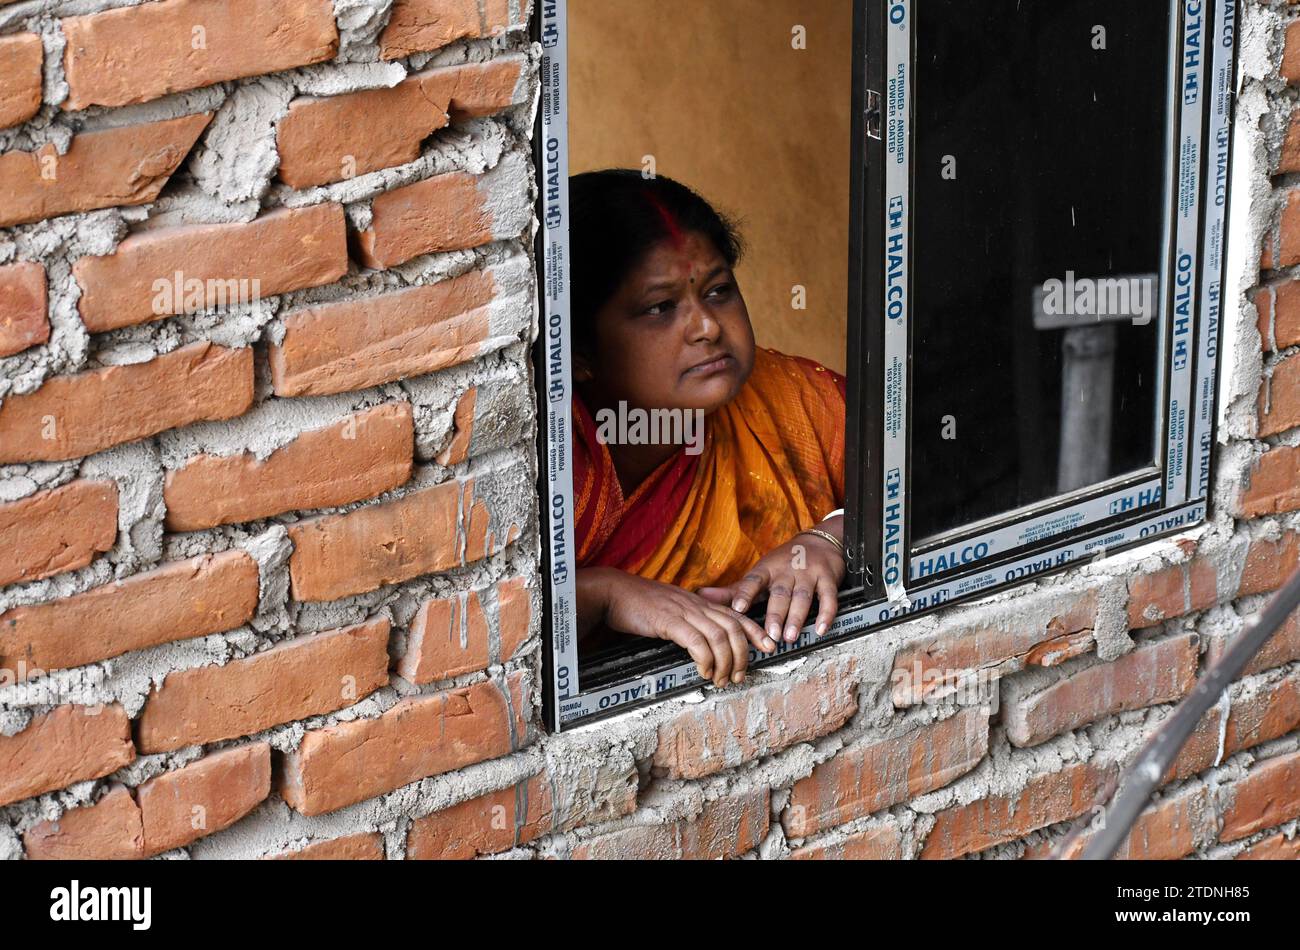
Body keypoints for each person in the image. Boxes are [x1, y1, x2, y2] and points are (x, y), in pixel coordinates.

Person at [571, 170, 847, 689]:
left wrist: (832, 537)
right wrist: (605, 594)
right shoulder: (543, 462)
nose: (707, 326)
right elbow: (481, 624)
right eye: (660, 307)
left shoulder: (790, 397)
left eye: (718, 292)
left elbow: (937, 482)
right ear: (580, 352)